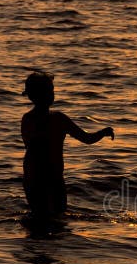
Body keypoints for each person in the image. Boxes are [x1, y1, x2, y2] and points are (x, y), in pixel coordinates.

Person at [21, 71, 114, 218]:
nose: (51, 94)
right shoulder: (35, 119)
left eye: (52, 90)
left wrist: (102, 133)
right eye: (47, 91)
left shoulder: (57, 118)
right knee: (46, 219)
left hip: (53, 178)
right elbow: (32, 148)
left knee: (54, 218)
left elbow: (86, 138)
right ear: (34, 95)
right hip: (35, 178)